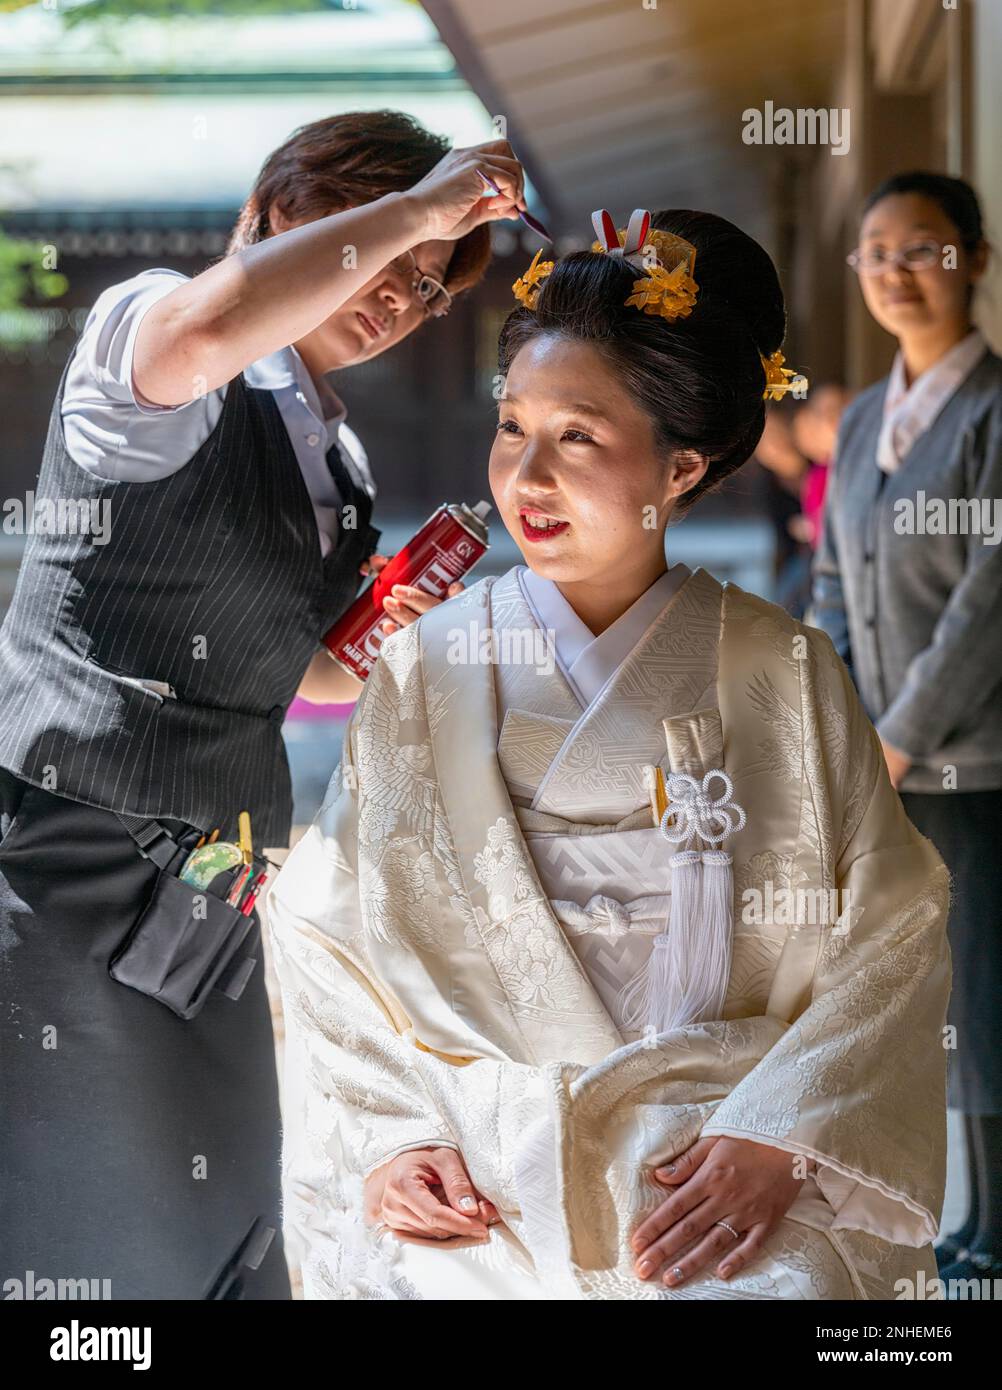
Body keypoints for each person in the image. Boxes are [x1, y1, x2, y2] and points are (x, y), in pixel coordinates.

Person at [267, 206, 952, 1300]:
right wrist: (393, 1135)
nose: (527, 476)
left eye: (578, 437)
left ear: (682, 466)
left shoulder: (781, 665)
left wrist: (785, 1133)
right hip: (481, 1156)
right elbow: (324, 921)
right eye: (512, 429)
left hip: (718, 1142)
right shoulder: (428, 664)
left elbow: (894, 920)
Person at [0, 110, 531, 1299]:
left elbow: (309, 669)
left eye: (429, 289)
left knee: (229, 1217)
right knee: (82, 1229)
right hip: (65, 849)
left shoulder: (336, 459)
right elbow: (219, 322)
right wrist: (433, 206)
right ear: (282, 201)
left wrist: (381, 634)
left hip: (219, 879)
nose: (403, 294)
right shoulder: (150, 326)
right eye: (388, 259)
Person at [812, 171, 1002, 1285]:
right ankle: (960, 1214)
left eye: (921, 248)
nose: (895, 271)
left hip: (973, 764)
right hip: (879, 763)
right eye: (876, 251)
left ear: (973, 260)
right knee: (921, 992)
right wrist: (837, 726)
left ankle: (994, 1223)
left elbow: (989, 600)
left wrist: (901, 734)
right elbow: (834, 584)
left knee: (982, 989)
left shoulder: (993, 413)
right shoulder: (869, 421)